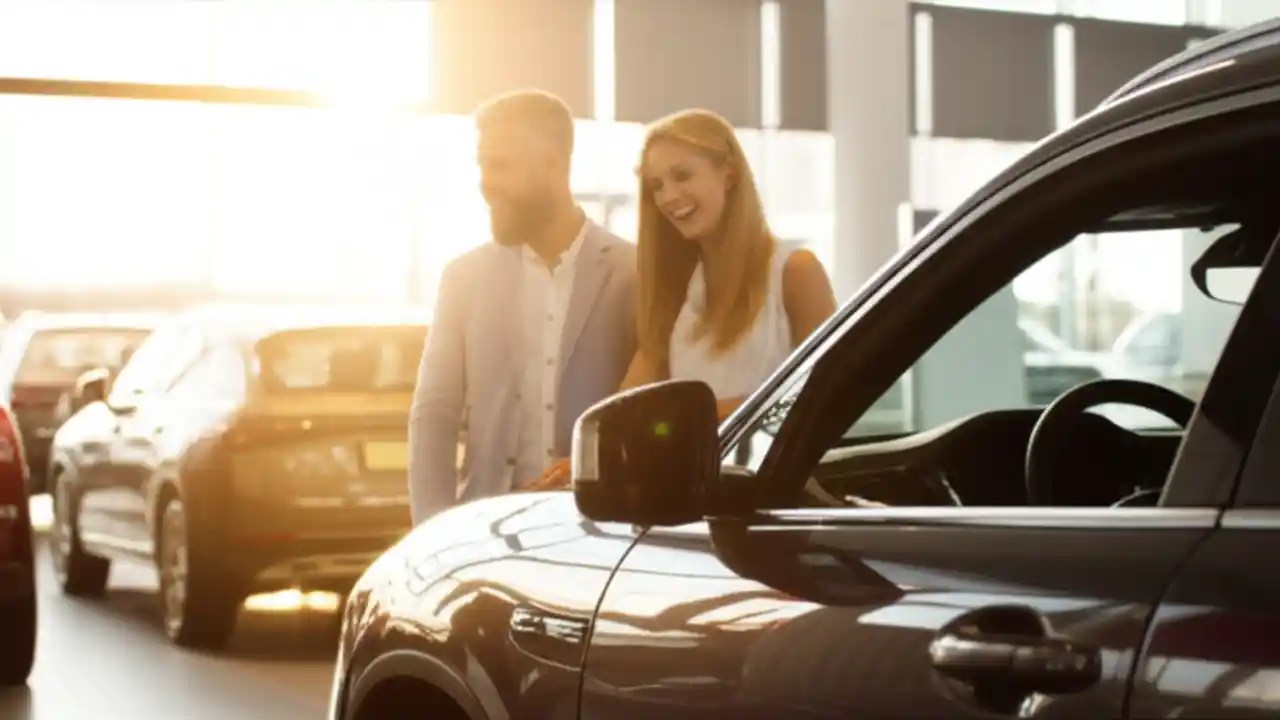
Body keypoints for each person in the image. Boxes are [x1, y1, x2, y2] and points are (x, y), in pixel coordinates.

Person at [525, 108, 836, 491]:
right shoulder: (673, 292)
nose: (669, 196)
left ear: (729, 173)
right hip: (691, 498)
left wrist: (695, 418)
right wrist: (582, 458)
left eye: (683, 175)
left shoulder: (795, 272)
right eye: (656, 185)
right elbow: (628, 406)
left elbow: (825, 396)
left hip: (779, 499)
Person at [407, 89, 636, 524]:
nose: (486, 181)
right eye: (482, 164)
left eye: (501, 164)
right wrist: (431, 527)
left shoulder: (632, 272)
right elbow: (434, 412)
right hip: (486, 532)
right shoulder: (464, 278)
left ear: (552, 163)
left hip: (602, 535)